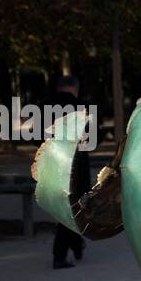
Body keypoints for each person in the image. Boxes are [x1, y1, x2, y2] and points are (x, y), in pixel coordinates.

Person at [50, 75, 91, 270]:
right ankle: (60, 254)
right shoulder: (81, 107)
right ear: (75, 88)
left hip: (50, 162)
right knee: (74, 207)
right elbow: (93, 138)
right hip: (75, 165)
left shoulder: (44, 106)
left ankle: (75, 244)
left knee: (66, 207)